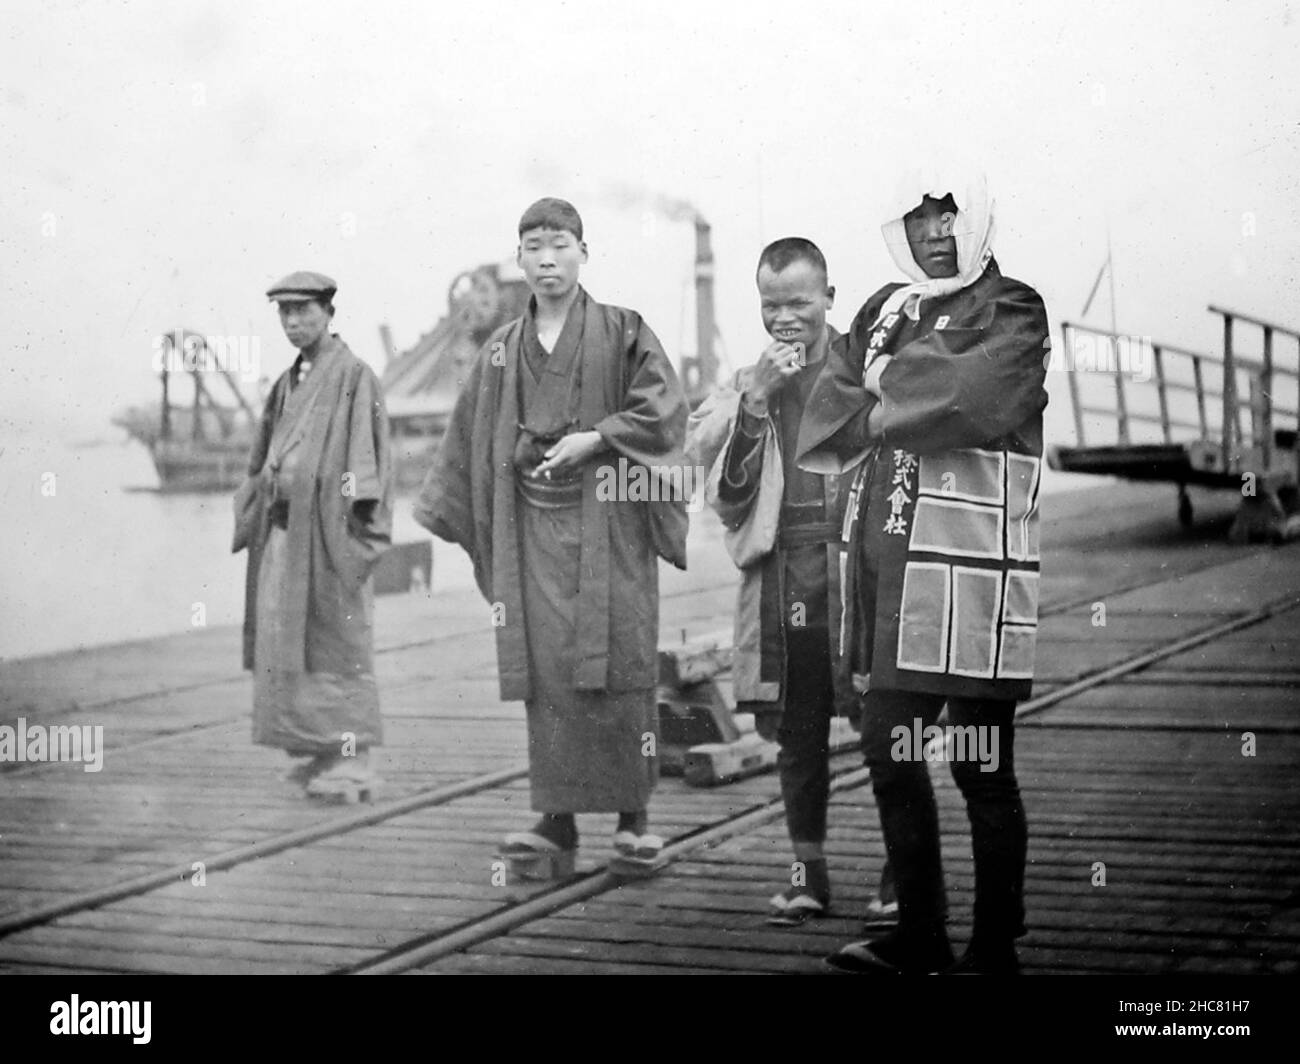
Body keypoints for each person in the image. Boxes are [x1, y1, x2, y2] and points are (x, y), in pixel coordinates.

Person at [797, 172, 1048, 974]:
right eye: (918, 217)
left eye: (949, 214)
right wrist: (891, 392)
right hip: (890, 565)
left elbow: (974, 392)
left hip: (970, 565)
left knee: (980, 762)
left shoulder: (1012, 307)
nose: (935, 231)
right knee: (888, 745)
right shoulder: (882, 310)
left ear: (976, 217)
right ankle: (921, 930)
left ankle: (994, 945)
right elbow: (831, 399)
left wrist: (882, 391)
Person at [413, 198, 690, 879]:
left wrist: (599, 437)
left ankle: (635, 820)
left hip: (611, 523)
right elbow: (470, 443)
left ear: (583, 252)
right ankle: (556, 821)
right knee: (549, 673)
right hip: (533, 531)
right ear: (518, 260)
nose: (546, 258)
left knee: (623, 661)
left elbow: (664, 413)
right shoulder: (501, 350)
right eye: (533, 246)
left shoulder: (624, 332)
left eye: (559, 244)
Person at [686, 238, 896, 928]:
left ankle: (901, 879)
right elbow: (731, 498)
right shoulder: (751, 382)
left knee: (885, 730)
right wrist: (755, 401)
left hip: (859, 577)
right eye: (771, 305)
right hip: (789, 581)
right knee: (798, 738)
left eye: (799, 303)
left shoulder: (864, 368)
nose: (784, 319)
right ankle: (808, 877)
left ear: (828, 298)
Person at [232, 271, 393, 802]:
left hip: (329, 535)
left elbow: (368, 460)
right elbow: (262, 458)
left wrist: (348, 530)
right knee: (287, 643)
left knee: (335, 643)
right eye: (285, 313)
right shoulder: (288, 382)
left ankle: (355, 761)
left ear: (329, 313)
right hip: (284, 534)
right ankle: (319, 751)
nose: (294, 321)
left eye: (304, 311)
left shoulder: (354, 377)